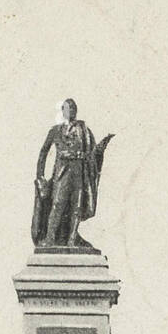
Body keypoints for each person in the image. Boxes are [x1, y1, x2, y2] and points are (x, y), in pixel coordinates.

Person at [33, 99, 114, 249]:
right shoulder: (56, 130)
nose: (70, 111)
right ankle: (50, 238)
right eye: (67, 108)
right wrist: (40, 176)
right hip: (62, 172)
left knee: (76, 206)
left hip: (78, 173)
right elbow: (44, 152)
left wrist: (102, 146)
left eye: (72, 108)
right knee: (58, 204)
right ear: (62, 112)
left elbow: (92, 154)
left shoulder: (84, 131)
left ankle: (71, 239)